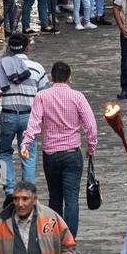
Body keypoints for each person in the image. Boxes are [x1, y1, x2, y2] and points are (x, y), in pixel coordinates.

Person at [22, 60, 98, 239]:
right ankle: (69, 240)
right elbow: (90, 125)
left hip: (51, 155)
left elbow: (33, 124)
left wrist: (26, 143)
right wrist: (91, 147)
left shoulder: (42, 96)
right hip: (72, 153)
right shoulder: (78, 97)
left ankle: (54, 238)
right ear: (69, 78)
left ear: (51, 78)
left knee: (54, 198)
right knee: (71, 199)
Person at [0, 33, 49, 201]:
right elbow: (45, 95)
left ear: (10, 48)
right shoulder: (37, 68)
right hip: (29, 117)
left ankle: (9, 190)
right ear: (26, 48)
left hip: (8, 115)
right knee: (28, 154)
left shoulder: (2, 66)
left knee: (4, 152)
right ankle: (28, 191)